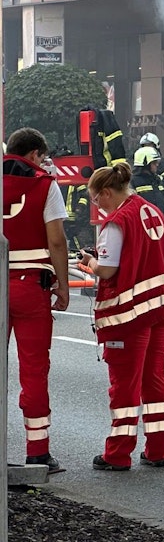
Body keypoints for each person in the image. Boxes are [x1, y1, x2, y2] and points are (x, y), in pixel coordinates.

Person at [80, 162, 164, 471]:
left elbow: (109, 269)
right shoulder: (149, 209)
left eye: (96, 199)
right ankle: (159, 449)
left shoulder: (116, 222)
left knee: (124, 383)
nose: (97, 206)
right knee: (154, 376)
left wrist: (88, 264)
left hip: (131, 313)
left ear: (106, 192)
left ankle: (117, 453)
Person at [3, 128, 71, 474]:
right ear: (32, 155)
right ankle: (37, 453)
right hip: (30, 287)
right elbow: (56, 241)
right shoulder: (46, 186)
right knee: (33, 370)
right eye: (42, 157)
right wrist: (63, 285)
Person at [132, 149, 164, 226]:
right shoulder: (133, 182)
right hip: (143, 225)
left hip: (160, 223)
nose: (157, 165)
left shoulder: (157, 180)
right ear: (145, 164)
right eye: (154, 163)